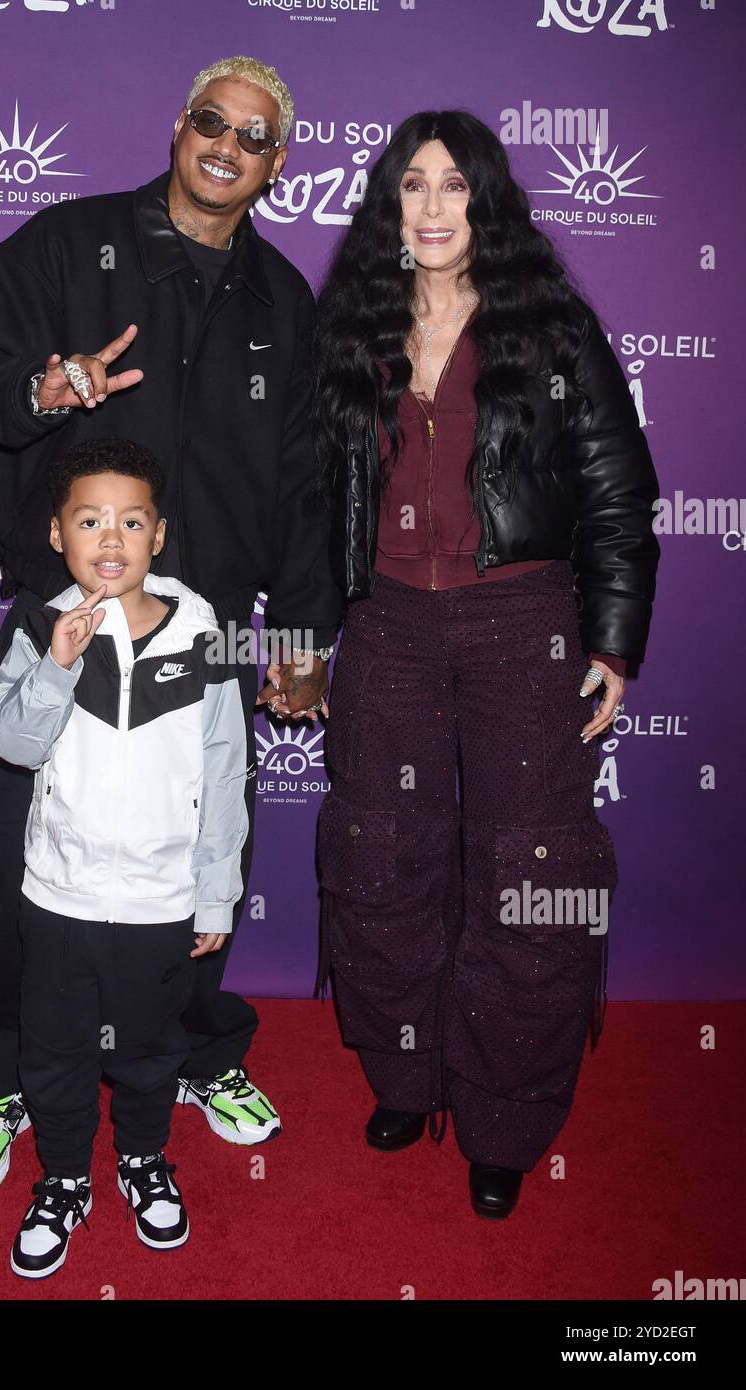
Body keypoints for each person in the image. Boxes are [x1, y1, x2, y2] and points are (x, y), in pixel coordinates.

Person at [0, 55, 341, 1192]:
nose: (226, 145)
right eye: (212, 120)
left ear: (275, 166)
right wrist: (43, 391)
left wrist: (299, 633)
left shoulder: (288, 302)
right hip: (64, 620)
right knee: (11, 858)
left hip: (208, 631)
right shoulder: (66, 244)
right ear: (178, 127)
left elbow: (305, 483)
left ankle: (193, 1048)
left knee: (203, 852)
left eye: (254, 136)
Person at [313, 109, 659, 1219]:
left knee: (534, 866)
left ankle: (505, 1113)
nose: (430, 207)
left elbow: (617, 490)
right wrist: (301, 635)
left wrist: (613, 641)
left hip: (524, 622)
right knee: (385, 851)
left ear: (488, 201)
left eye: (453, 185)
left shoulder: (549, 325)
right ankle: (407, 1074)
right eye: (410, 185)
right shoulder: (350, 324)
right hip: (388, 632)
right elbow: (305, 502)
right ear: (387, 203)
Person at [0, 438, 250, 1277]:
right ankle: (63, 1178)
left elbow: (227, 764)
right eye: (89, 520)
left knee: (148, 1050)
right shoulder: (37, 625)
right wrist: (58, 663)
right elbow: (12, 744)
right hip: (60, 895)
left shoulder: (210, 632)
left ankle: (140, 1160)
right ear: (58, 535)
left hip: (160, 903)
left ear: (158, 536)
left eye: (130, 521)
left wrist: (214, 895)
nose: (110, 537)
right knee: (53, 1051)